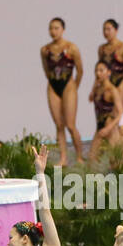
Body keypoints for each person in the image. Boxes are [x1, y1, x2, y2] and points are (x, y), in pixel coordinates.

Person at [41, 17, 84, 164]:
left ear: (63, 30)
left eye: (56, 28)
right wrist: (53, 81)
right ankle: (63, 157)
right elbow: (46, 70)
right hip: (53, 86)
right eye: (51, 28)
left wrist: (74, 87)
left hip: (68, 85)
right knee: (59, 125)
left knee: (70, 125)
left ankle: (79, 156)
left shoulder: (71, 48)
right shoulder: (45, 50)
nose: (53, 31)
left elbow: (80, 71)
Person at [88, 60, 121, 159]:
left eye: (101, 70)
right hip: (99, 125)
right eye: (96, 71)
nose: (98, 73)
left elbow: (120, 113)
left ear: (109, 72)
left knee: (114, 161)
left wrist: (109, 128)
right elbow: (90, 98)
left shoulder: (112, 90)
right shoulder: (98, 89)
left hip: (109, 124)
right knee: (92, 158)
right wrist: (95, 84)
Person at [96, 18, 123, 111]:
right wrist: (94, 88)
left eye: (108, 29)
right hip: (106, 85)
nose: (106, 32)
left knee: (119, 117)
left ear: (116, 30)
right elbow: (99, 70)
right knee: (106, 116)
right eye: (104, 29)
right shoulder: (101, 48)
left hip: (120, 84)